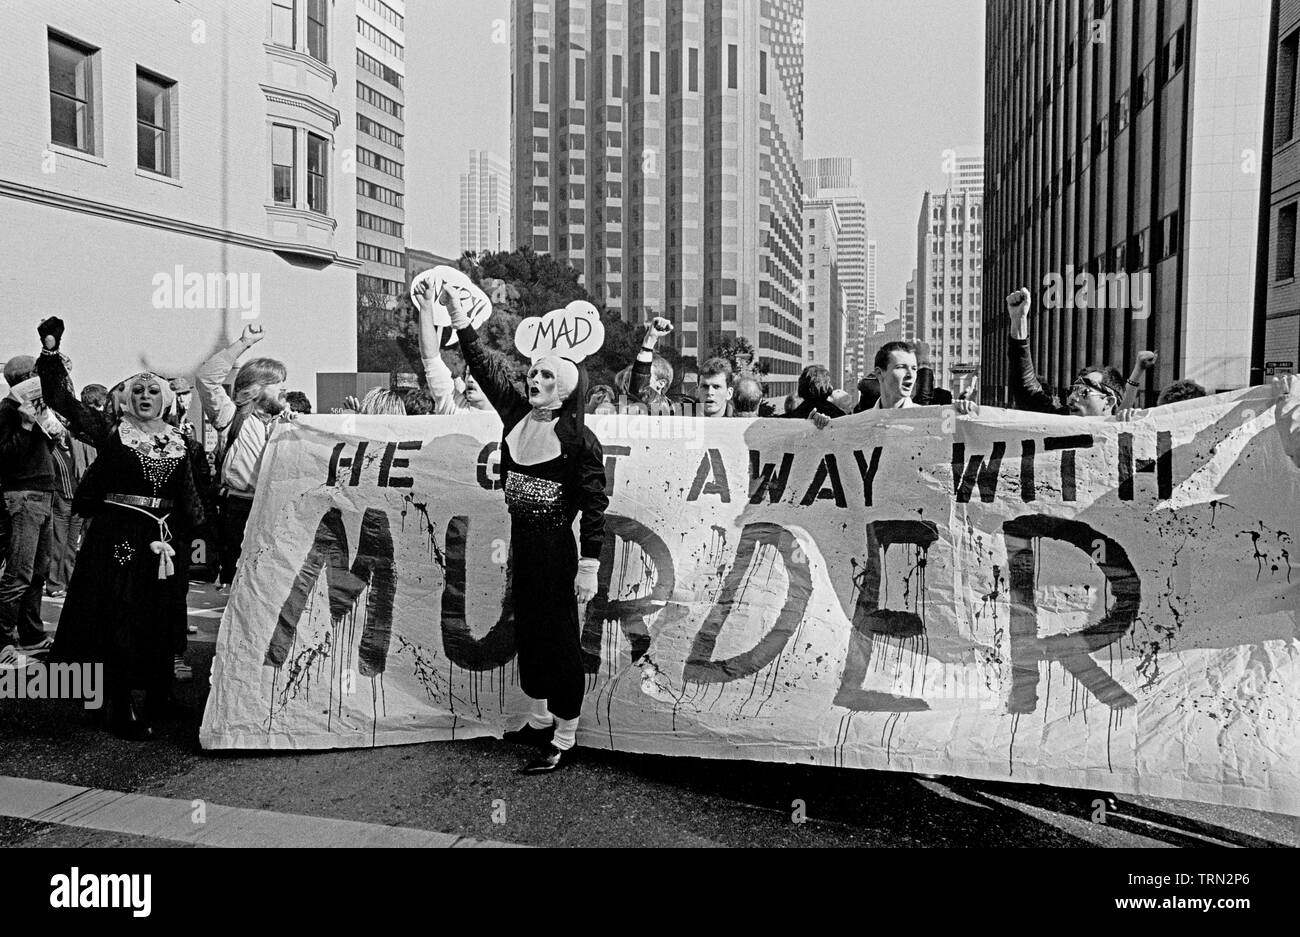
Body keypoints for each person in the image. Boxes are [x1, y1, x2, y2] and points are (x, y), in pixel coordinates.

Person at [431, 283, 607, 774]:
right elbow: (486, 367)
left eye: (547, 375)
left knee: (560, 639)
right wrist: (460, 318)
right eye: (533, 372)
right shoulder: (515, 417)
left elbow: (594, 505)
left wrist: (589, 565)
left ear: (567, 388)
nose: (535, 379)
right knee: (527, 630)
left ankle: (566, 735)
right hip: (523, 548)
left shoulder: (580, 441)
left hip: (557, 554)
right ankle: (538, 714)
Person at [35, 318, 204, 739]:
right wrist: (52, 352)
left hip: (166, 539)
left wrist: (204, 540)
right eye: (138, 391)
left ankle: (160, 694)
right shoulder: (113, 434)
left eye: (154, 391)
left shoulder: (181, 440)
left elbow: (190, 496)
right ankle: (118, 702)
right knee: (120, 614)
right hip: (120, 538)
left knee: (164, 613)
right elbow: (63, 401)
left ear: (165, 400)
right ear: (126, 399)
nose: (146, 396)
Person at [195, 324, 289, 589]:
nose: (284, 389)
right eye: (277, 384)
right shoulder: (231, 416)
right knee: (234, 574)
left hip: (271, 507)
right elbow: (205, 378)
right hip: (237, 507)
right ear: (256, 388)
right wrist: (244, 342)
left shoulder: (286, 423)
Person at [0, 353, 62, 669]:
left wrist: (52, 433)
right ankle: (5, 641)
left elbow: (42, 451)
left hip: (41, 492)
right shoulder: (8, 410)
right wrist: (24, 425)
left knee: (37, 572)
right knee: (19, 573)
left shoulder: (37, 410)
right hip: (22, 494)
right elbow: (5, 457)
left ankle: (31, 635)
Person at [1005, 287, 1124, 417]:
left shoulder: (1129, 429)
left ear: (1108, 402)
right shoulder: (1059, 419)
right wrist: (1019, 320)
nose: (1072, 398)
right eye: (1073, 390)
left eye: (1083, 392)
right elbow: (1027, 389)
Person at [411, 285, 496, 416]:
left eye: (477, 375)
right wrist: (426, 306)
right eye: (468, 374)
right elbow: (431, 358)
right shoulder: (452, 406)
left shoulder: (508, 417)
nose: (470, 380)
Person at [628, 318, 677, 414]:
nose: (633, 381)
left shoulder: (668, 407)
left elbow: (640, 391)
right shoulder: (624, 406)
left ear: (661, 383)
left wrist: (649, 342)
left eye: (646, 374)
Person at [872, 341, 920, 410]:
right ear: (879, 373)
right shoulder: (863, 419)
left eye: (914, 368)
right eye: (901, 367)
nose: (910, 375)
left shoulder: (926, 418)